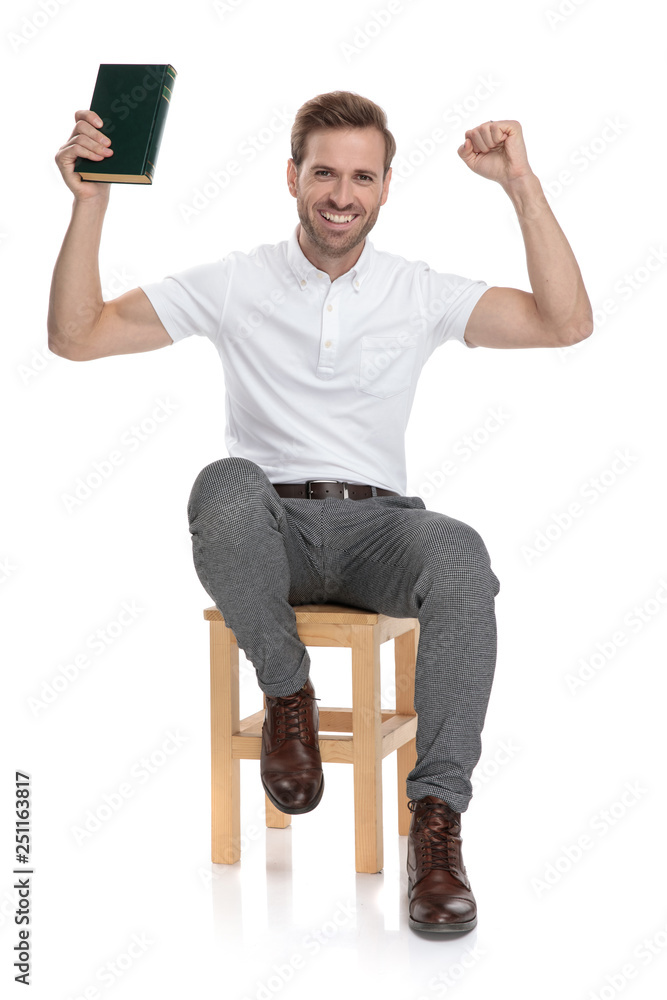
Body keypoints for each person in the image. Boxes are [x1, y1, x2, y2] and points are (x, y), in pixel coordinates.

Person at [49, 91, 593, 935]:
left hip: (382, 529)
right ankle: (288, 690)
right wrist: (92, 205)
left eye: (362, 177)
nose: (342, 193)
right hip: (272, 528)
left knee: (459, 553)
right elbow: (77, 335)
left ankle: (436, 826)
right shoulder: (235, 280)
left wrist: (518, 184)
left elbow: (566, 324)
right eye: (325, 173)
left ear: (384, 188)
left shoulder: (415, 290)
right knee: (222, 483)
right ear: (293, 177)